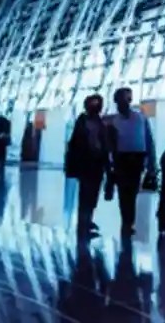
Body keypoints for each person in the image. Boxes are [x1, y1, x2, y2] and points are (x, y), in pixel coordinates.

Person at [106, 88, 155, 237]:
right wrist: (110, 165)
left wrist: (152, 163)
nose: (125, 103)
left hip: (136, 160)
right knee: (124, 192)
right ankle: (127, 220)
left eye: (127, 99)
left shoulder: (140, 119)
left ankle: (128, 221)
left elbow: (148, 140)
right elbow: (110, 145)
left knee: (131, 192)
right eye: (122, 99)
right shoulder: (114, 122)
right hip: (122, 160)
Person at [66, 95, 110, 237]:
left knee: (93, 194)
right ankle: (83, 222)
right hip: (86, 162)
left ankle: (87, 220)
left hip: (97, 162)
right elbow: (75, 144)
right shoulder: (83, 122)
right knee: (85, 194)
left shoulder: (101, 123)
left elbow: (104, 143)